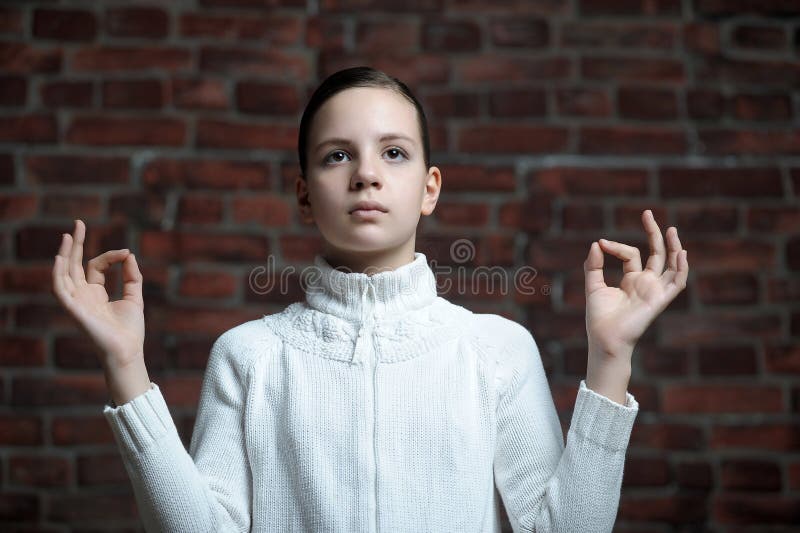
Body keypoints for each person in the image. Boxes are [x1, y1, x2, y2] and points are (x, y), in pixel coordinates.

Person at [51, 66, 689, 532]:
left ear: (429, 188)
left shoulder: (496, 351)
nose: (366, 173)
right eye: (337, 155)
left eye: (393, 152)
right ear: (305, 194)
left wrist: (611, 357)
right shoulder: (248, 357)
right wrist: (125, 366)